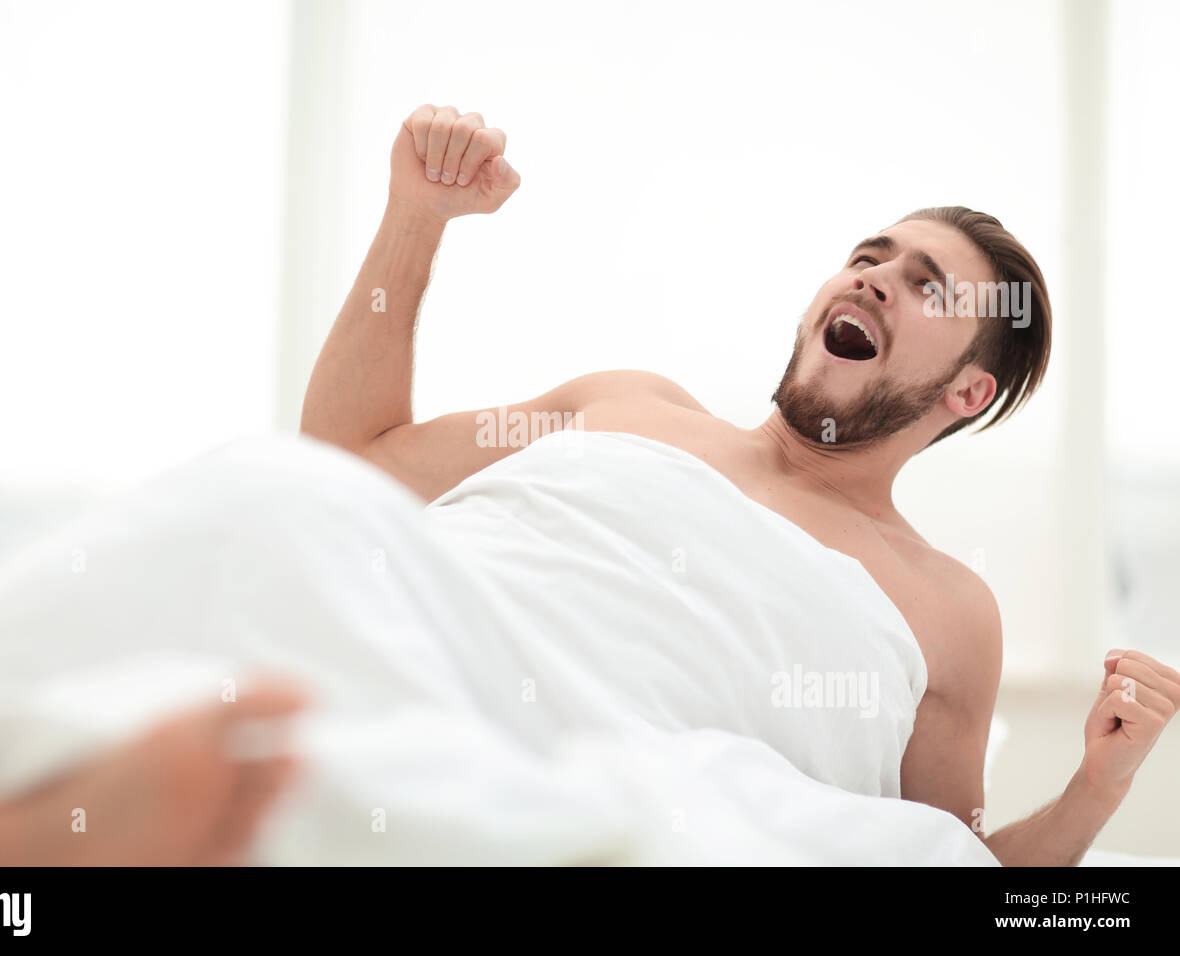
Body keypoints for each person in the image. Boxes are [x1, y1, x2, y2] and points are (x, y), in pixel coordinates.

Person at [297, 103, 1179, 866]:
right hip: (366, 690)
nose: (875, 277)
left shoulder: (948, 609)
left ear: (966, 391)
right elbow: (348, 460)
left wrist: (1095, 791)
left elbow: (940, 857)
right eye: (871, 256)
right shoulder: (626, 401)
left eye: (926, 287)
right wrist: (416, 215)